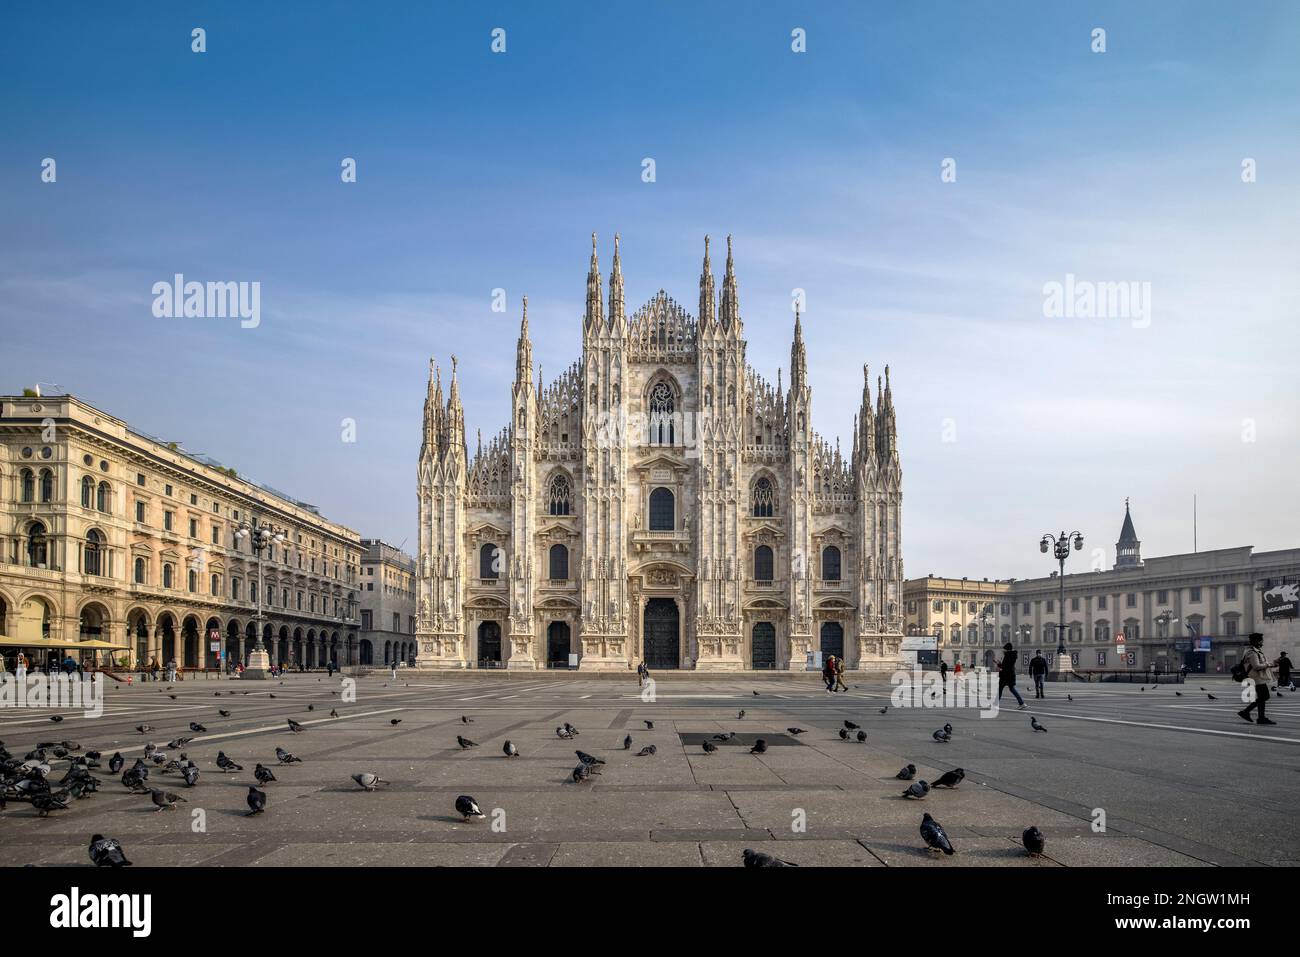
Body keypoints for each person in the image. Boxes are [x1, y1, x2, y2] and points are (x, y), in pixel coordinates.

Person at [1238, 633, 1275, 725]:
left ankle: (1260, 717)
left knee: (1263, 697)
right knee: (1265, 696)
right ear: (1256, 641)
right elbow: (1256, 666)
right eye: (1261, 640)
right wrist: (1268, 665)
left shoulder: (1254, 651)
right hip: (1256, 678)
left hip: (1257, 678)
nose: (1262, 642)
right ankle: (1247, 712)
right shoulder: (1252, 652)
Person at [996, 642, 1027, 710]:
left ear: (1007, 649)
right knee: (1011, 689)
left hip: (1006, 676)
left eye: (1004, 649)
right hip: (1010, 675)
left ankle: (995, 704)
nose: (1003, 650)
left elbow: (1006, 667)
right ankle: (1022, 703)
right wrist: (1000, 664)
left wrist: (999, 664)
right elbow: (1007, 666)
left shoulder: (1008, 656)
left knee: (1000, 689)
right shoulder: (1012, 655)